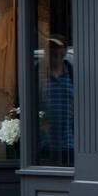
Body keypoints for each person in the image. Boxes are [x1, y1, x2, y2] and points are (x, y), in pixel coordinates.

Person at [39, 35, 74, 166]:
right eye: (51, 48)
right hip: (45, 145)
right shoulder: (38, 74)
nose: (55, 51)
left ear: (64, 50)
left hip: (69, 143)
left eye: (58, 47)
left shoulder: (72, 73)